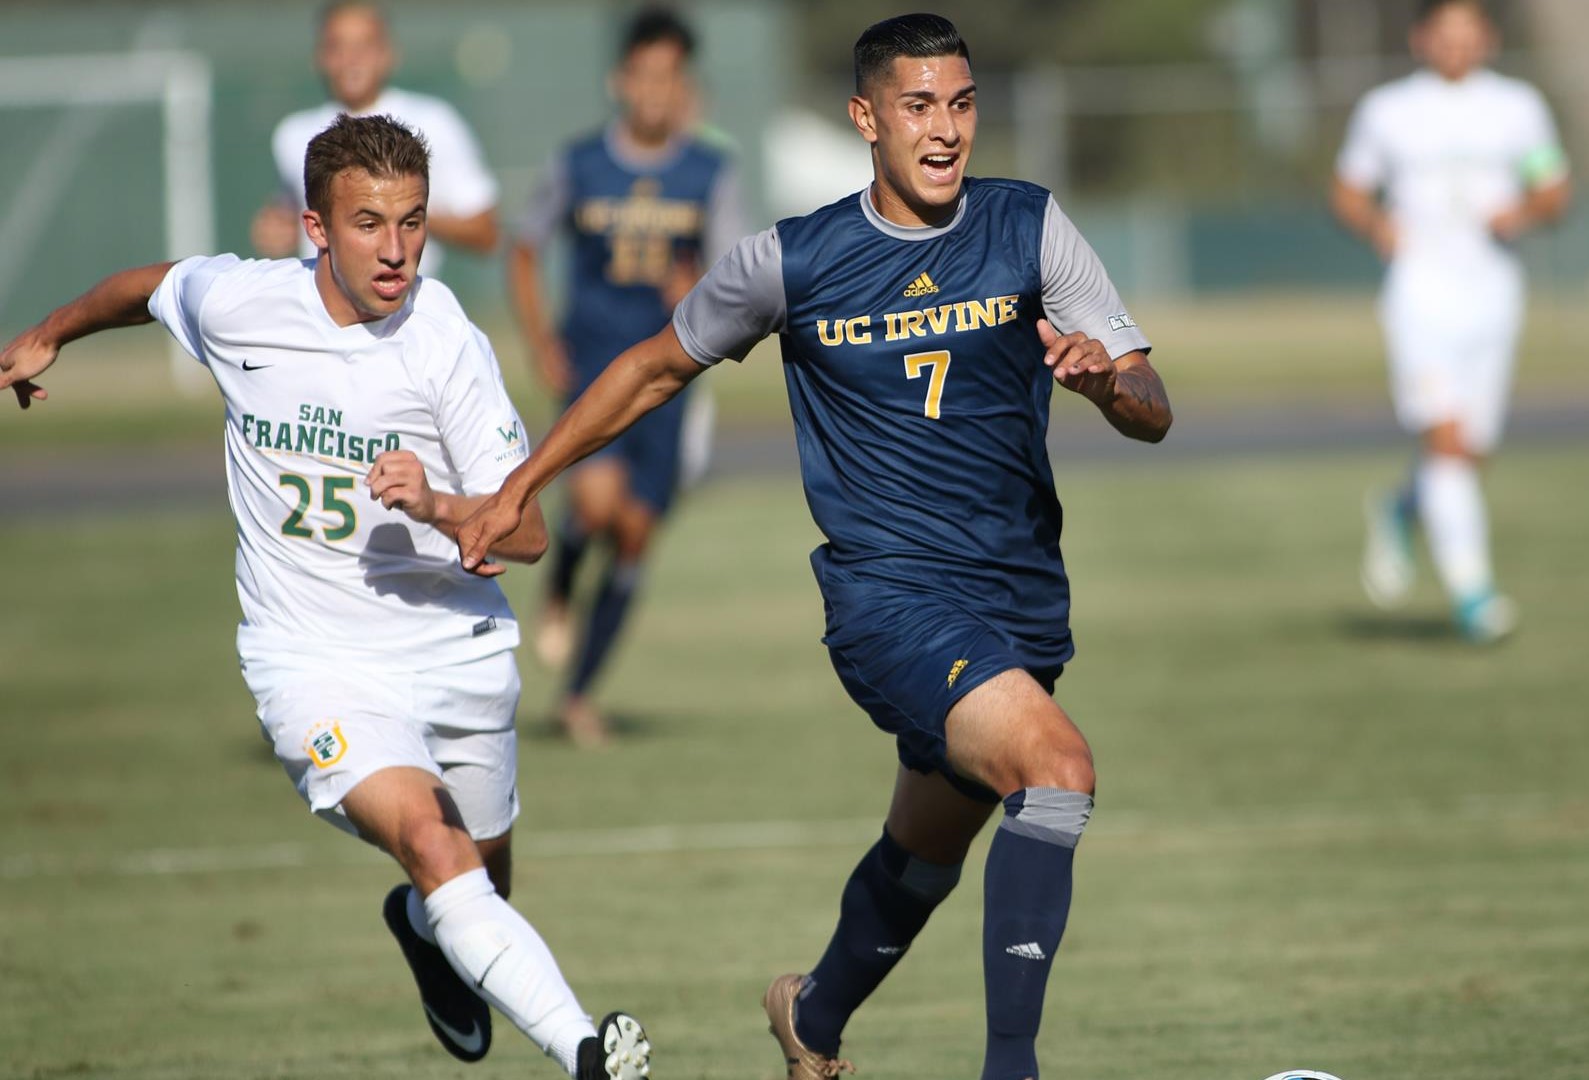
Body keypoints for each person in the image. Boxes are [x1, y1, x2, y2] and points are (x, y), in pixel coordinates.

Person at [458, 13, 1171, 1079]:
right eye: (918, 106)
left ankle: (813, 1017)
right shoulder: (793, 260)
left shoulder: (1030, 228)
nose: (946, 130)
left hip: (1020, 603)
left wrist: (1111, 382)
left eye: (962, 104)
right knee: (1056, 770)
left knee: (925, 854)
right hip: (887, 601)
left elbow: (1153, 405)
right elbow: (652, 368)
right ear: (865, 118)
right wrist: (520, 485)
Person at [0, 115, 647, 1080]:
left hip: (457, 651)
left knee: (475, 885)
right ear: (315, 226)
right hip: (315, 665)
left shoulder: (448, 347)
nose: (395, 251)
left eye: (414, 223)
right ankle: (590, 1054)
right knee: (434, 844)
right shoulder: (240, 304)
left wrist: (437, 504)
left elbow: (527, 534)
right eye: (368, 223)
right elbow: (148, 287)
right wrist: (47, 334)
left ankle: (429, 936)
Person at [507, 7, 746, 746]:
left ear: (685, 88)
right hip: (593, 368)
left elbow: (737, 270)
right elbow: (522, 247)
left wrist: (699, 291)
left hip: (670, 378)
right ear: (619, 80)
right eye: (642, 74)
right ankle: (557, 586)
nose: (653, 90)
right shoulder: (580, 163)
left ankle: (578, 694)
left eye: (668, 77)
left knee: (637, 536)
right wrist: (541, 338)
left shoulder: (710, 171)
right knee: (599, 505)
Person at [1331, 0, 1571, 643]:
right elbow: (1349, 189)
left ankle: (1400, 507)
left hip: (1494, 296)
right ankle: (1476, 596)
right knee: (1446, 440)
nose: (1457, 45)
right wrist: (1377, 222)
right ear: (1421, 39)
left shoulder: (1519, 106)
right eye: (1445, 34)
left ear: (1488, 38)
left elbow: (1553, 189)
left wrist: (1522, 211)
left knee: (1470, 451)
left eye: (1469, 33)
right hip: (1420, 297)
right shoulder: (1388, 110)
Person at [252, 1, 499, 275]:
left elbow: (485, 232)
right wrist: (280, 228)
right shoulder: (292, 134)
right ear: (319, 56)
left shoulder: (433, 120)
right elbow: (294, 215)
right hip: (323, 311)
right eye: (337, 47)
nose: (351, 59)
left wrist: (399, 214)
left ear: (388, 53)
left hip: (404, 308)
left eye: (364, 46)